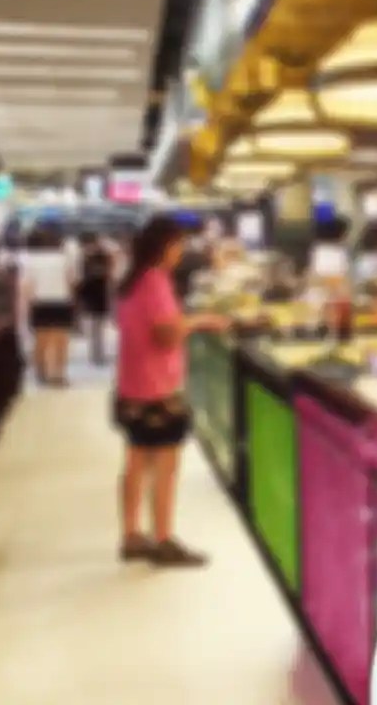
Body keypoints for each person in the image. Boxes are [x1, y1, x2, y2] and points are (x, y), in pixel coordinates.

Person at [114, 216, 229, 566]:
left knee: (136, 461)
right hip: (158, 390)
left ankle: (131, 535)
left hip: (131, 387)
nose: (180, 252)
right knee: (165, 466)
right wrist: (201, 321)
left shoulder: (130, 281)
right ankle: (163, 539)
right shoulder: (155, 282)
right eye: (177, 245)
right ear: (163, 246)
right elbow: (166, 333)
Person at [21, 229, 76, 386]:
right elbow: (71, 281)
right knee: (61, 341)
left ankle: (41, 372)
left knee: (41, 340)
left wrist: (28, 304)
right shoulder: (64, 259)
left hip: (40, 302)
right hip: (61, 301)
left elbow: (27, 286)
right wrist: (72, 300)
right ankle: (59, 374)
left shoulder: (31, 260)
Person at [77, 232, 115, 365]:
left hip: (96, 295)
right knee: (96, 327)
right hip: (95, 295)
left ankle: (97, 353)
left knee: (97, 327)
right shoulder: (90, 258)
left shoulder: (93, 257)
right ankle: (97, 353)